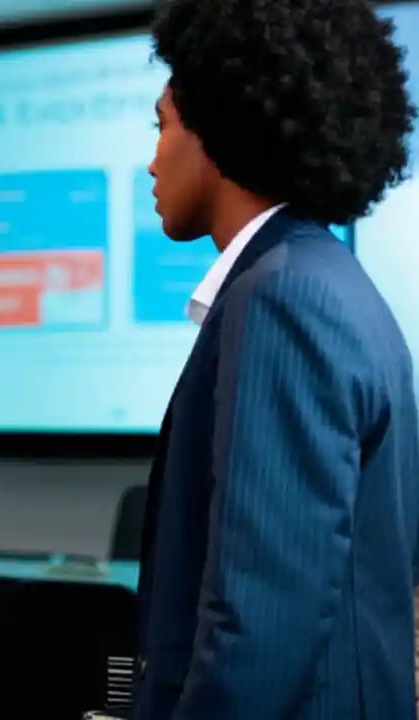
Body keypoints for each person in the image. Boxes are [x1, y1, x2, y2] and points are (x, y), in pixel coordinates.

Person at [135, 1, 419, 718]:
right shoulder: (330, 277)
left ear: (219, 122)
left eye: (161, 126)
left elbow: (258, 623)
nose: (152, 160)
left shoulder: (282, 295)